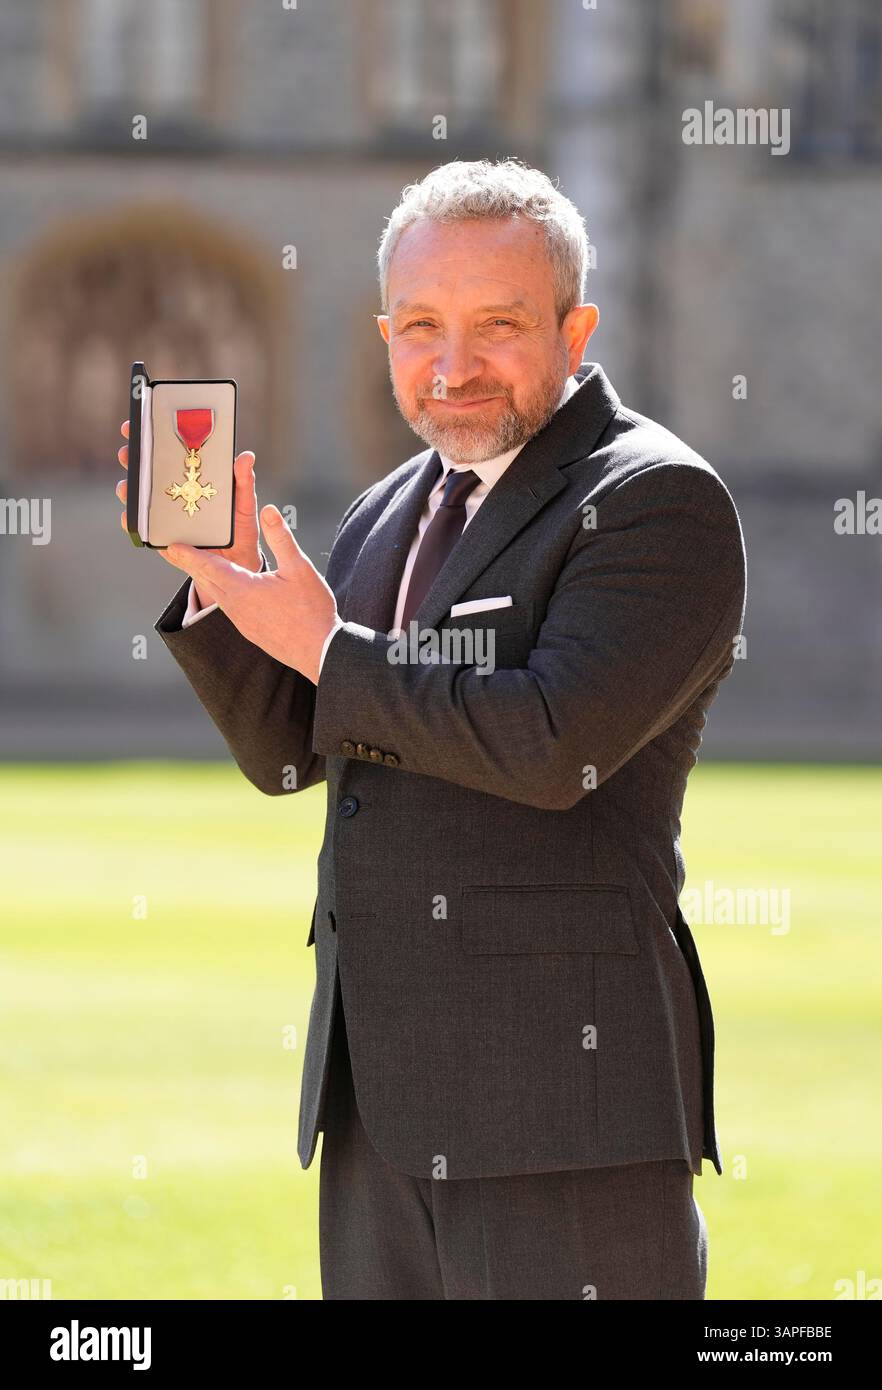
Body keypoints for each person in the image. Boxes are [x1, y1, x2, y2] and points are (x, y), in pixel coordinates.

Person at [116, 158, 746, 1300]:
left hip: (566, 1113)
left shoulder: (658, 500)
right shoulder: (391, 506)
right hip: (378, 1102)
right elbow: (297, 752)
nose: (452, 367)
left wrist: (323, 644)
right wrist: (223, 592)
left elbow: (557, 741)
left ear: (575, 325)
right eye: (420, 327)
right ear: (385, 332)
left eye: (498, 324)